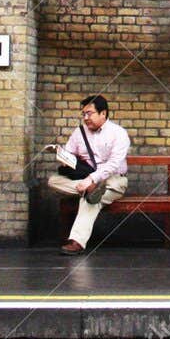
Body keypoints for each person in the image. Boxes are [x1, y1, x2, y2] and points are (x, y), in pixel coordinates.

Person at [46, 94, 130, 255]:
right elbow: (70, 152)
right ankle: (90, 189)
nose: (85, 118)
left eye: (89, 113)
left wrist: (92, 179)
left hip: (112, 180)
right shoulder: (79, 133)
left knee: (89, 198)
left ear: (103, 113)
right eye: (83, 114)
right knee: (53, 181)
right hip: (84, 180)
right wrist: (63, 156)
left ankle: (77, 241)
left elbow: (113, 164)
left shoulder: (118, 134)